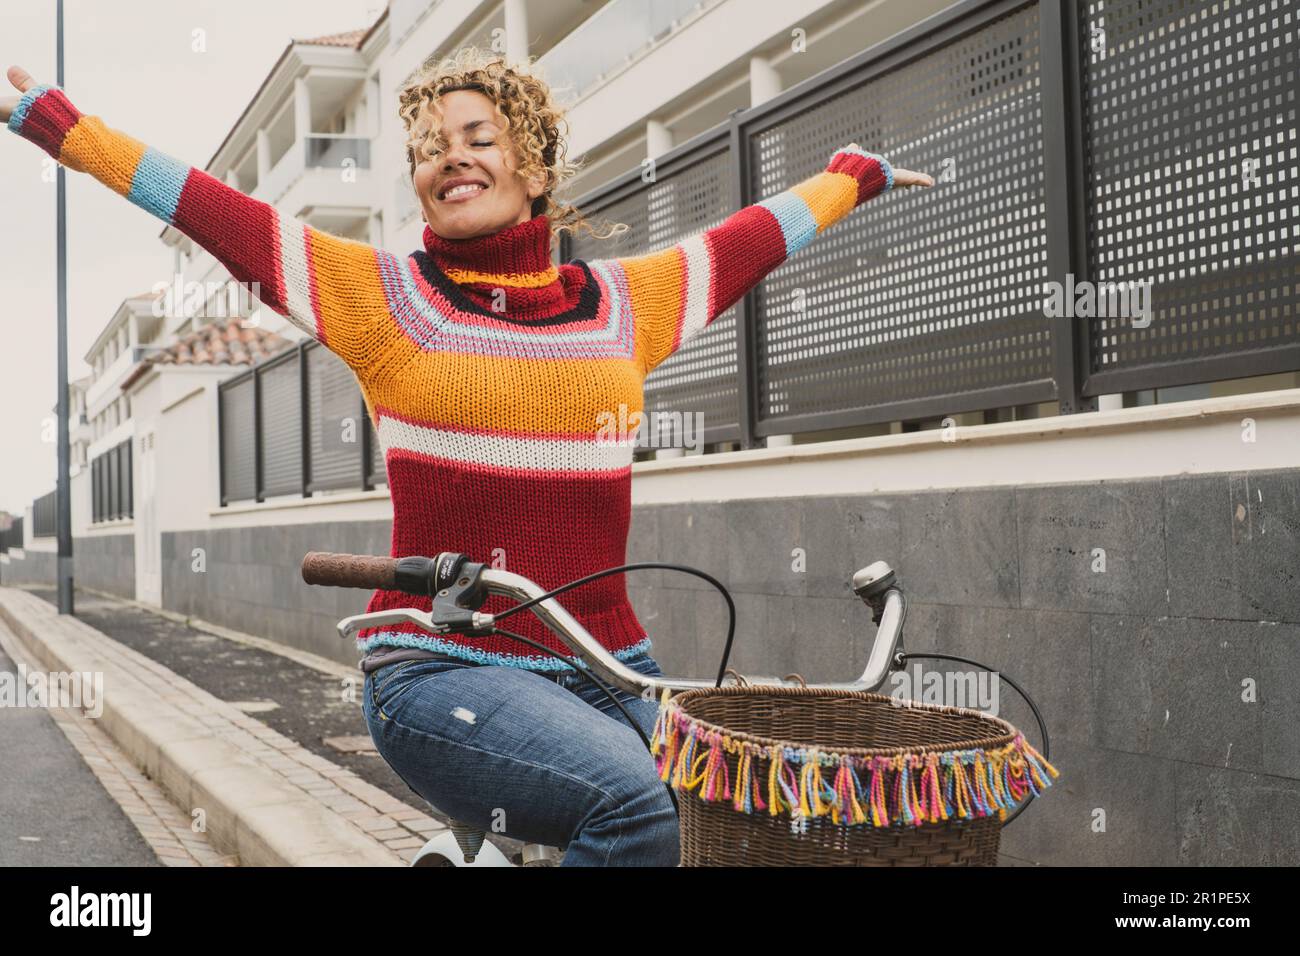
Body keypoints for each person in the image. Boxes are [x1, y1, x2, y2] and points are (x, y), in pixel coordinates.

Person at [2, 47, 932, 866]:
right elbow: (219, 211)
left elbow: (752, 239)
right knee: (639, 808)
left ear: (531, 160)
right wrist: (60, 126)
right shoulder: (387, 298)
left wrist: (853, 177)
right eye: (425, 149)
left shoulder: (625, 303)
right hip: (441, 667)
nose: (446, 156)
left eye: (477, 137)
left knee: (742, 804)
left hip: (614, 666)